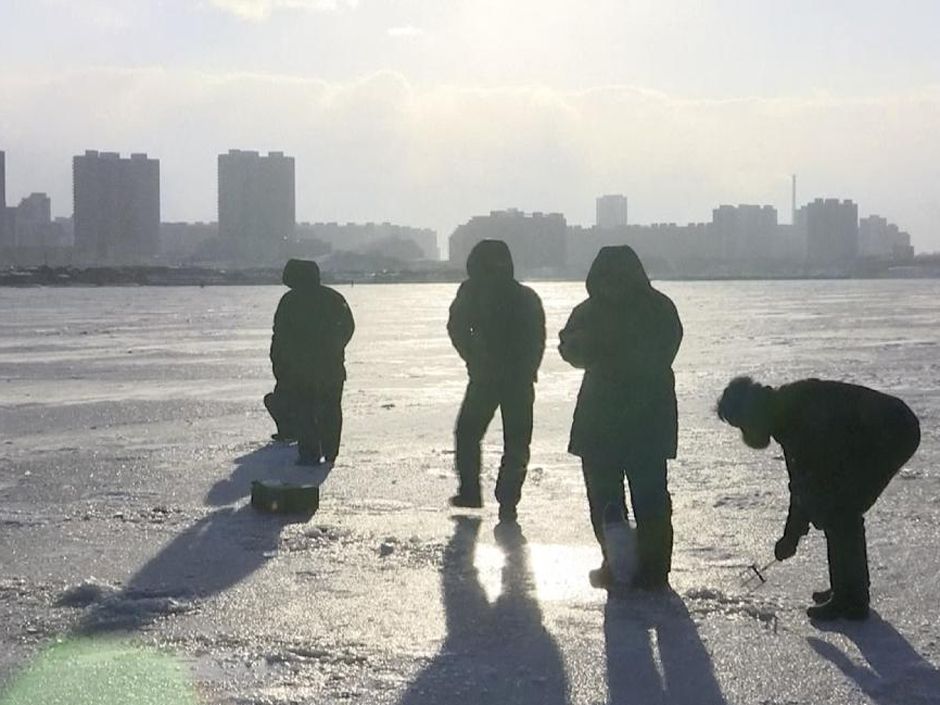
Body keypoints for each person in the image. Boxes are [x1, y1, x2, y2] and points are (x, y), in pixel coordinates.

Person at [716, 376, 920, 621]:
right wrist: (791, 536)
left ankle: (852, 599)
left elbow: (812, 478)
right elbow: (802, 483)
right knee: (836, 506)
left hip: (891, 429)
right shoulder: (781, 412)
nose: (745, 432)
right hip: (882, 429)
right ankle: (845, 588)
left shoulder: (796, 412)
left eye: (741, 425)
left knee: (842, 510)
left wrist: (794, 533)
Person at [559, 246, 682, 591]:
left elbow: (660, 353)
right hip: (626, 420)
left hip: (622, 418)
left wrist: (605, 352)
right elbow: (570, 349)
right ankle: (627, 564)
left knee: (632, 498)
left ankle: (643, 568)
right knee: (622, 499)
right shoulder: (656, 307)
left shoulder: (604, 310)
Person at [447, 239, 546, 521]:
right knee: (515, 442)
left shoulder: (473, 292)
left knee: (469, 434)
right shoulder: (525, 296)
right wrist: (527, 368)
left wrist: (473, 357)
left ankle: (473, 491)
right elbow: (537, 339)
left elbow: (456, 328)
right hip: (512, 380)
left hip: (489, 378)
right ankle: (506, 499)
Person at [265, 259, 355, 466]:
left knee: (305, 411)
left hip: (301, 370)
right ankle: (330, 451)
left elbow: (280, 337)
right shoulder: (334, 298)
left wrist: (280, 364)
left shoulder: (290, 301)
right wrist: (335, 348)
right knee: (331, 410)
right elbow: (348, 327)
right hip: (331, 367)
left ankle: (310, 454)